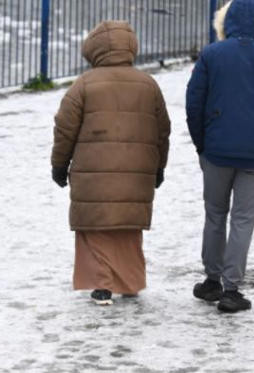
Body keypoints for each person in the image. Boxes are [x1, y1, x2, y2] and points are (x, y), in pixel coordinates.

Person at [186, 0, 254, 313]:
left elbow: (194, 104)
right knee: (243, 220)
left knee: (215, 215)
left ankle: (211, 280)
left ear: (226, 22)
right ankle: (232, 290)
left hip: (217, 151)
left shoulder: (211, 55)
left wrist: (202, 145)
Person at [51, 20, 170, 305]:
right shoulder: (148, 84)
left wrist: (59, 165)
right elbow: (162, 130)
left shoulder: (84, 84)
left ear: (93, 50)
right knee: (128, 228)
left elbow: (64, 127)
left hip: (93, 176)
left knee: (96, 229)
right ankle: (130, 282)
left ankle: (102, 285)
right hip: (136, 175)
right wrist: (159, 167)